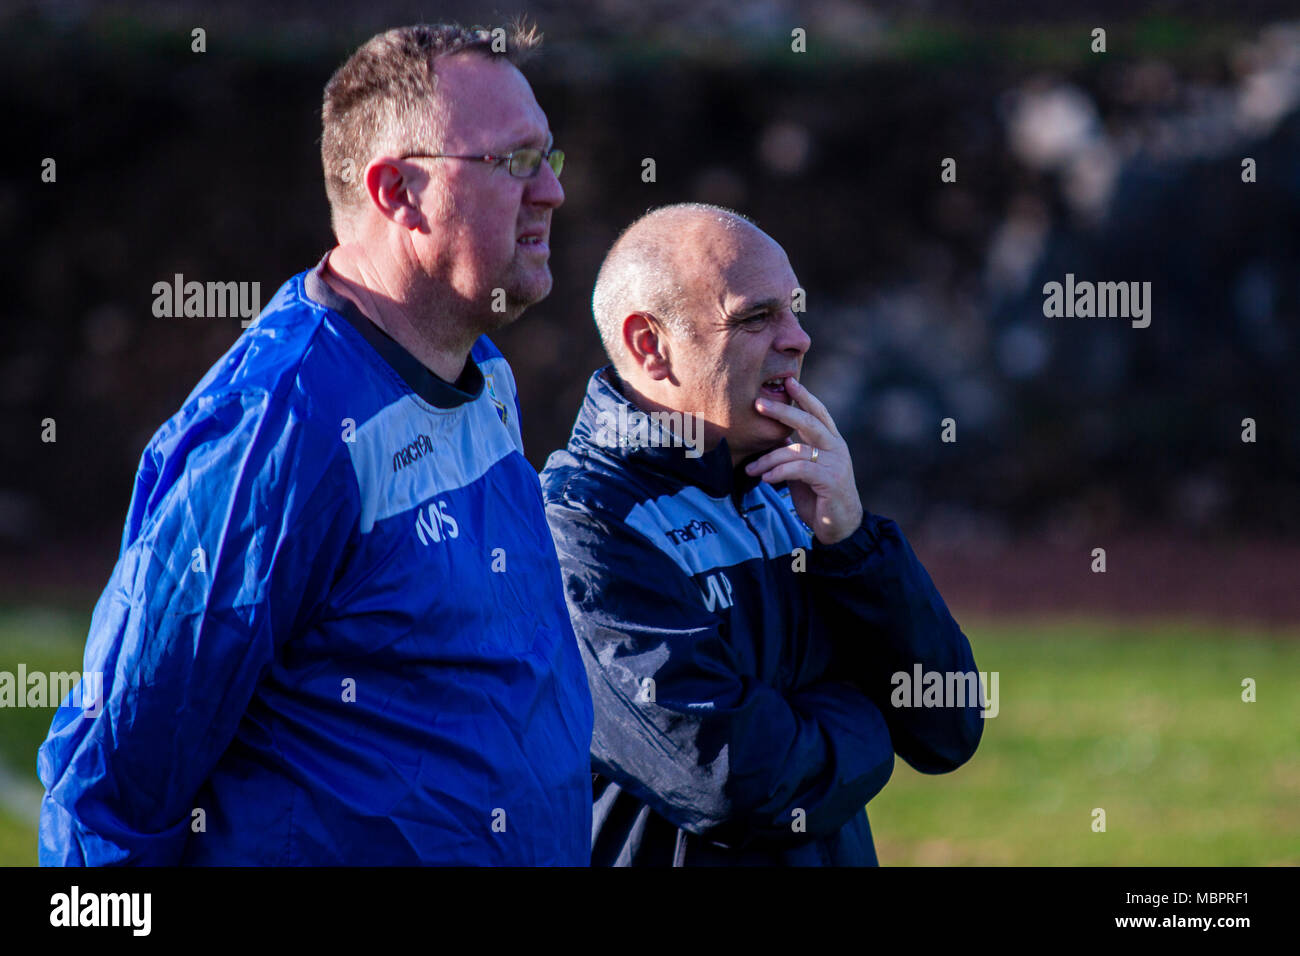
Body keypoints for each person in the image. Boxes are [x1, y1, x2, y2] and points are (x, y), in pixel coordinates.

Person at [38, 22, 594, 865]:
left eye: (549, 155)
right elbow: (114, 778)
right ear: (399, 192)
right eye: (514, 162)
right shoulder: (276, 427)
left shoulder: (481, 368)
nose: (552, 189)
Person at [540, 203, 983, 866]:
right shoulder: (581, 523)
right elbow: (734, 784)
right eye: (756, 317)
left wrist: (853, 542)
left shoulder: (797, 487)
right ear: (648, 346)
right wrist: (865, 722)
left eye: (795, 310)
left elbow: (948, 726)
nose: (799, 338)